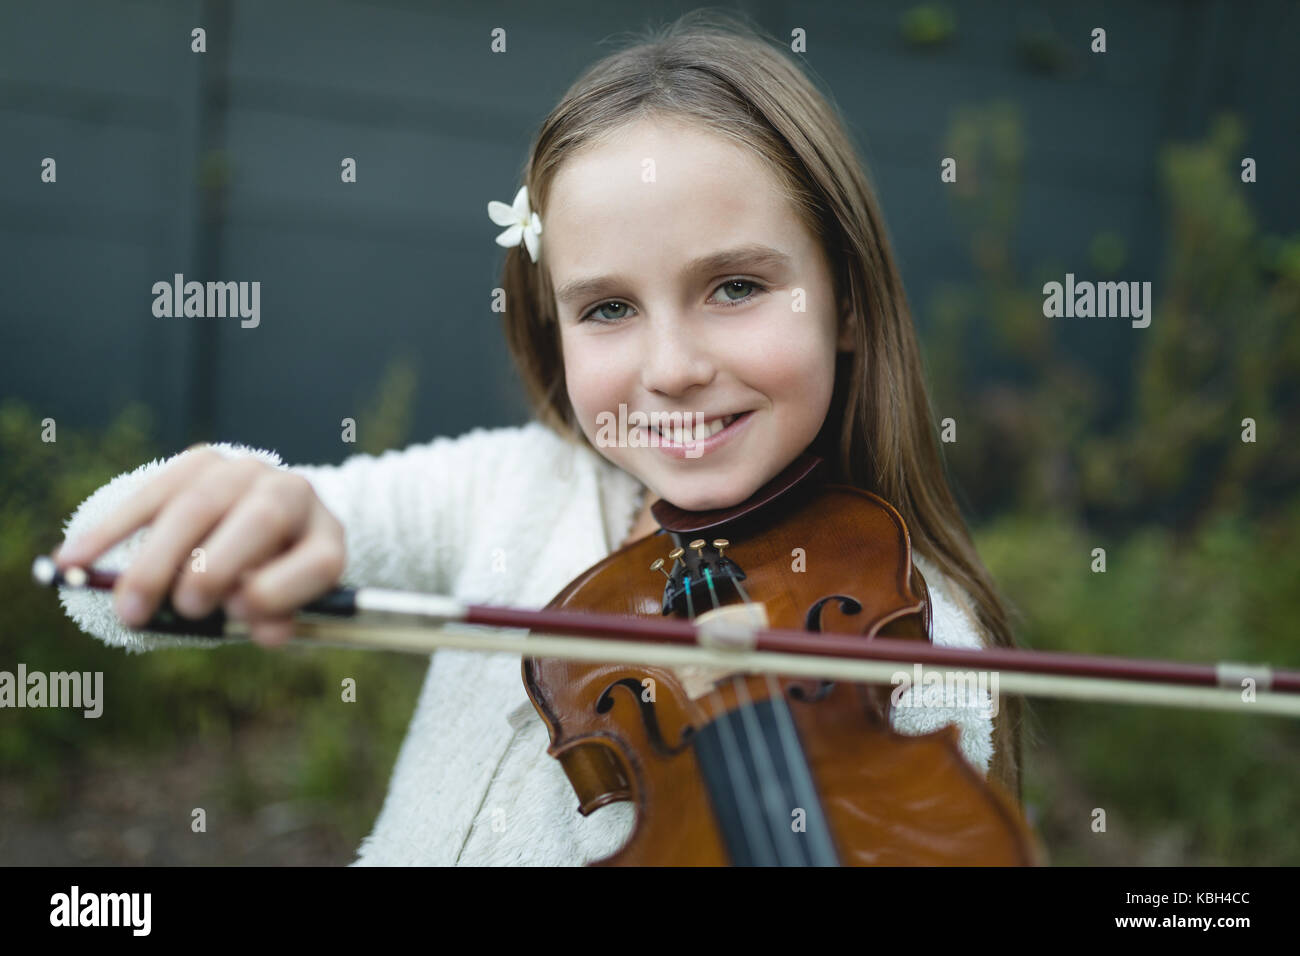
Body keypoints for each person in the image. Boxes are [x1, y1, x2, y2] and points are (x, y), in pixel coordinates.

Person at [53, 11, 1023, 865]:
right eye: (607, 306)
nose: (673, 364)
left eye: (735, 286)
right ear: (549, 328)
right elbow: (107, 577)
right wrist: (256, 501)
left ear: (846, 303)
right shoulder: (510, 487)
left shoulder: (917, 644)